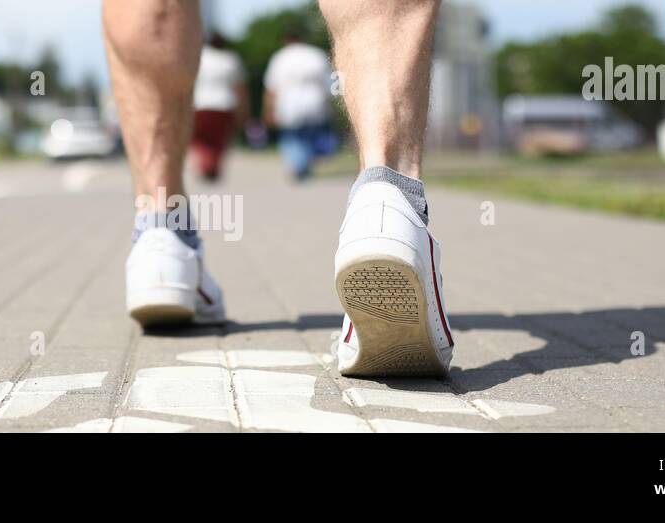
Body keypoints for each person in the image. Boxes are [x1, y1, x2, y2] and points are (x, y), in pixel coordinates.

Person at [107, 0, 452, 378]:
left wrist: (265, 116)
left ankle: (162, 229)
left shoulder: (278, 61)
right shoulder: (297, 58)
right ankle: (387, 195)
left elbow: (270, 90)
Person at [262, 25, 335, 181]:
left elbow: (271, 88)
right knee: (310, 136)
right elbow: (328, 84)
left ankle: (298, 166)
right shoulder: (316, 55)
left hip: (289, 103)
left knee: (293, 137)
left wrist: (268, 110)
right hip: (315, 102)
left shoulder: (280, 58)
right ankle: (304, 165)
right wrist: (330, 105)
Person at [190, 33, 248, 183]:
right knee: (219, 140)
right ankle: (213, 167)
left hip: (200, 104)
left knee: (200, 139)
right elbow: (239, 88)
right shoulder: (231, 60)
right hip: (224, 105)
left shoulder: (198, 58)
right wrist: (243, 110)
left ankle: (205, 165)